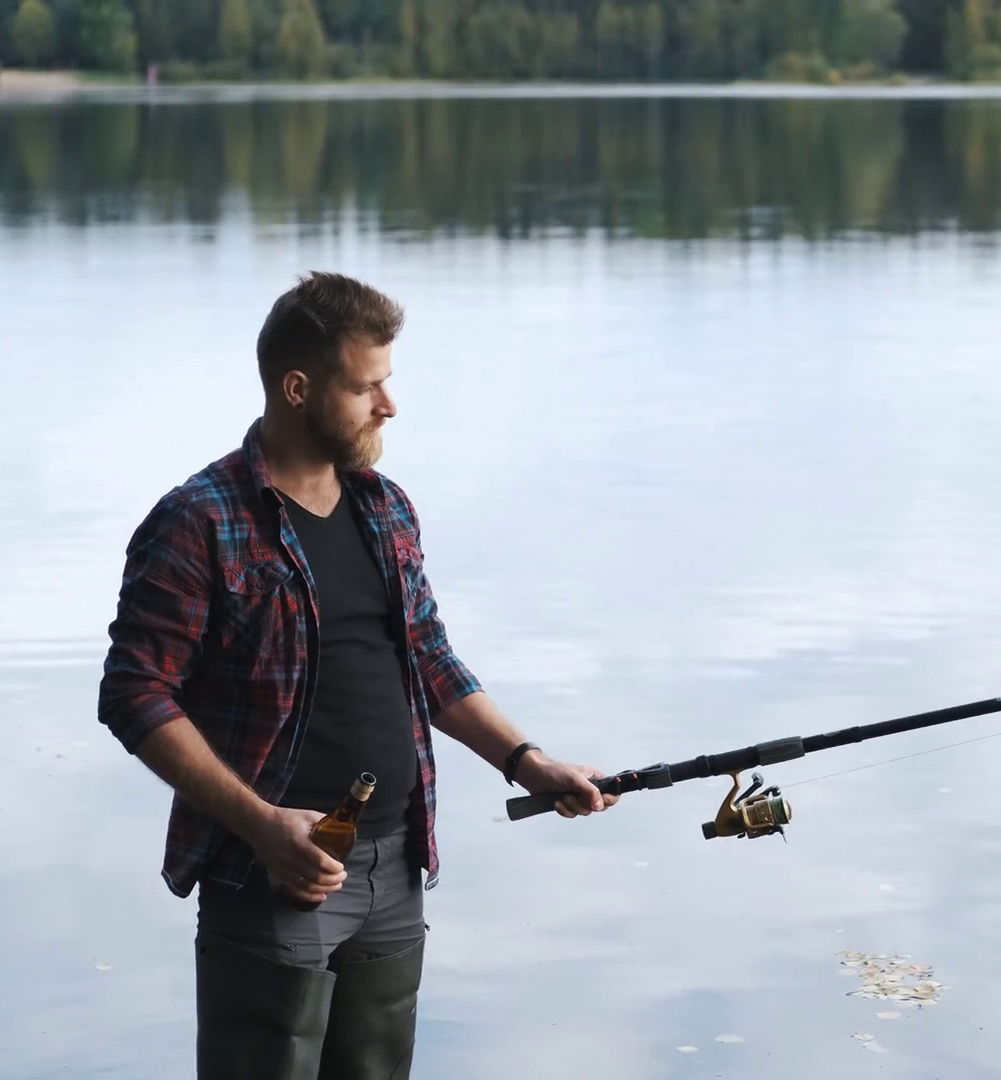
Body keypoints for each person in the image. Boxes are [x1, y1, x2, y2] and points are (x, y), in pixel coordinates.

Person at [97, 271, 616, 1080]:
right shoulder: (199, 519)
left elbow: (431, 660)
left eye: (388, 383)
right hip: (270, 877)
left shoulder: (386, 507)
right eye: (366, 386)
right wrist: (266, 825)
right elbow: (134, 693)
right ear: (298, 388)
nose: (388, 405)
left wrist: (527, 761)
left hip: (397, 866)